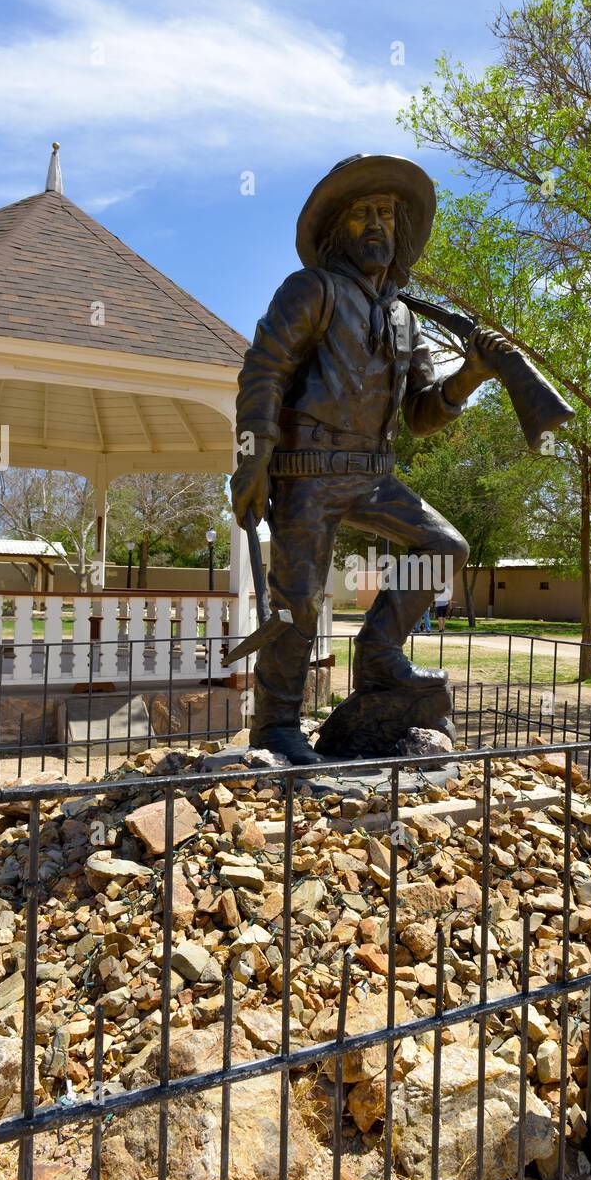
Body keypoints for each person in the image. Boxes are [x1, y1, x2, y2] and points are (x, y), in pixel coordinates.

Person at [229, 154, 511, 763]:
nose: (378, 223)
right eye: (363, 213)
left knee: (446, 548)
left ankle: (380, 653)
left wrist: (472, 376)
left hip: (373, 475)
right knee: (299, 601)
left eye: (386, 212)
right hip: (305, 472)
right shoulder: (313, 290)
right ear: (338, 230)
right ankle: (275, 725)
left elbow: (422, 414)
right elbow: (264, 371)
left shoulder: (406, 317)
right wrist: (252, 460)